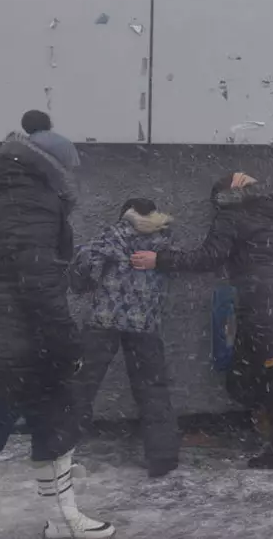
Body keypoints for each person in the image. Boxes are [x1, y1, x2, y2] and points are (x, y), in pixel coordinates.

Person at [130, 172, 273, 480]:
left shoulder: (233, 215)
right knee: (258, 379)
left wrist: (160, 259)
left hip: (267, 304)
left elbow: (209, 257)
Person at [0, 116, 116, 538]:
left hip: (22, 344)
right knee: (51, 424)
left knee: (54, 426)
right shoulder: (29, 200)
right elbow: (38, 283)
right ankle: (63, 522)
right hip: (20, 346)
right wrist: (70, 345)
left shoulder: (12, 191)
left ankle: (64, 521)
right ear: (55, 168)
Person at [69, 198, 180, 478]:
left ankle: (61, 449)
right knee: (153, 388)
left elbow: (84, 264)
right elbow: (175, 268)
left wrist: (82, 283)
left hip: (104, 319)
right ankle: (162, 457)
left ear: (125, 215)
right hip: (145, 323)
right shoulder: (164, 240)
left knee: (82, 384)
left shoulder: (114, 234)